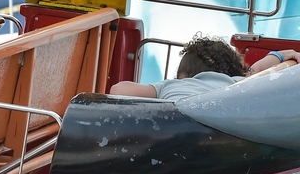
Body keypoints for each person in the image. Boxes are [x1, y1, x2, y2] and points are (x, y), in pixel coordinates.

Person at [110, 35, 299, 100]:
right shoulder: (239, 83)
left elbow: (118, 90)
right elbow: (256, 71)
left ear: (182, 76)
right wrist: (285, 55)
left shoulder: (169, 87)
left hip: (175, 126)